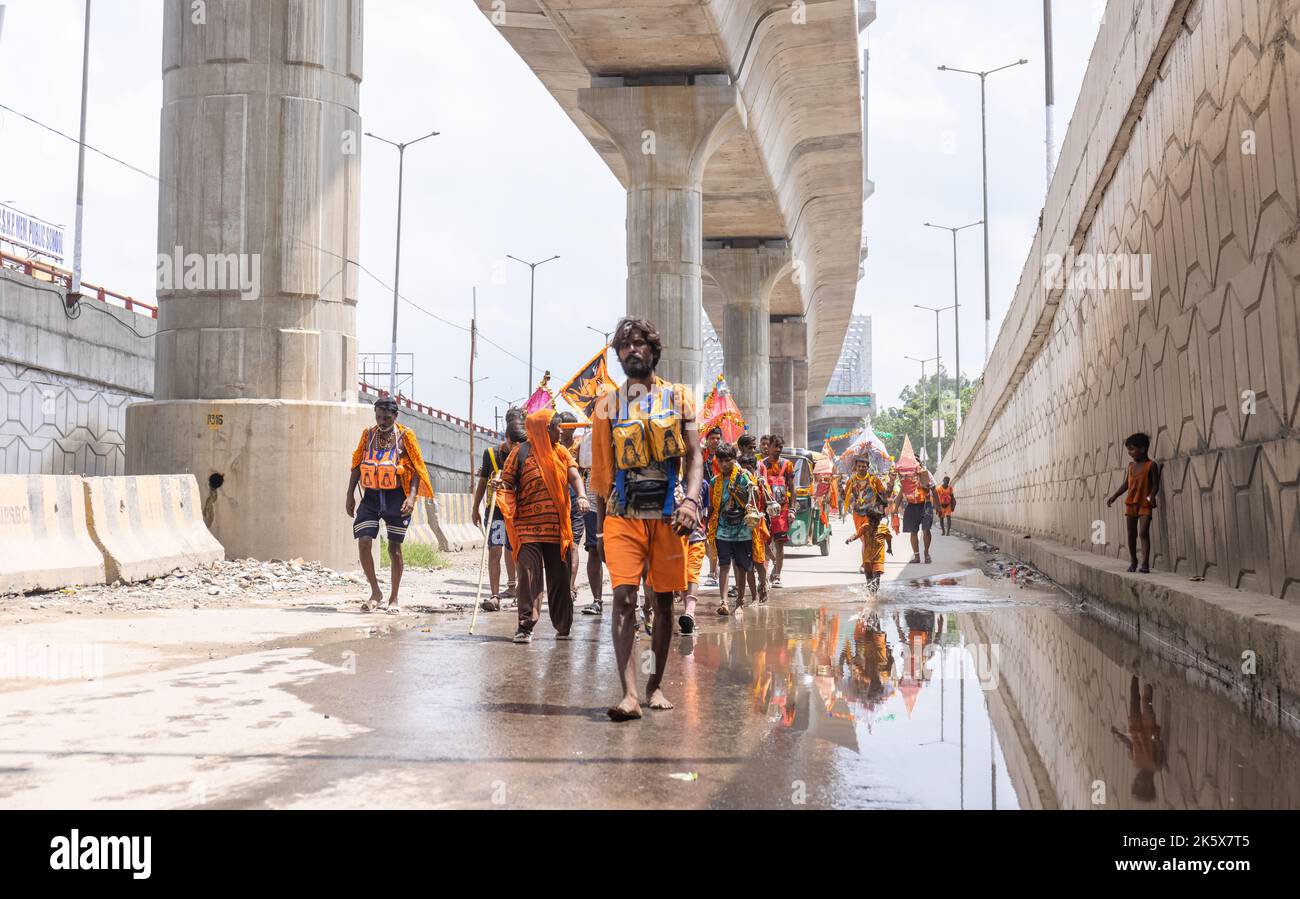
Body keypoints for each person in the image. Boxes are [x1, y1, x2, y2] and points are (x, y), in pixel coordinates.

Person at [591, 317, 703, 721]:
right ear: (618, 355)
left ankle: (654, 686)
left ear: (653, 351)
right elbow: (601, 473)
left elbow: (694, 457)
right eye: (624, 345)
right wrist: (601, 527)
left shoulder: (680, 399)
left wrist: (691, 502)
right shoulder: (607, 404)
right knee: (622, 598)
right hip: (622, 516)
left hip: (670, 516)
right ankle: (629, 695)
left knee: (662, 602)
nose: (632, 350)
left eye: (640, 343)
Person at [492, 408, 589, 644]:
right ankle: (525, 626)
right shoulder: (520, 452)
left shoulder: (562, 452)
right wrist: (499, 485)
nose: (560, 430)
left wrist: (582, 495)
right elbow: (507, 481)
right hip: (527, 528)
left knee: (559, 578)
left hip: (556, 530)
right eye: (557, 427)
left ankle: (563, 626)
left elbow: (574, 476)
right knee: (528, 575)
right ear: (545, 430)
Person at [345, 397, 434, 613]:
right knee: (364, 541)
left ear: (395, 416)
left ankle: (394, 598)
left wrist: (411, 497)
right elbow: (357, 465)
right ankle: (375, 591)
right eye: (378, 417)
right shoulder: (368, 435)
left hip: (397, 498)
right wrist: (349, 494)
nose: (382, 421)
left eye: (386, 417)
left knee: (394, 549)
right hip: (372, 497)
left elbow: (416, 470)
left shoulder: (405, 436)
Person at [473, 409, 526, 610]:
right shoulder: (491, 454)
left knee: (516, 552)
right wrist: (475, 507)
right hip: (494, 509)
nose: (517, 449)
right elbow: (482, 482)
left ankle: (520, 591)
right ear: (508, 439)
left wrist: (505, 486)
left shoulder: (524, 453)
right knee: (495, 549)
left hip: (515, 511)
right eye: (514, 444)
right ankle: (494, 596)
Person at [708, 443, 757, 615]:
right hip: (722, 529)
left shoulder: (744, 478)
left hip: (743, 530)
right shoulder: (714, 482)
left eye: (728, 460)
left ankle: (740, 601)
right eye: (720, 461)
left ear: (734, 460)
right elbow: (711, 508)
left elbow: (753, 499)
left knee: (741, 566)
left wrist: (743, 483)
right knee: (724, 565)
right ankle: (723, 602)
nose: (724, 464)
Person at [1106, 432, 1161, 572]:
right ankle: (1133, 561)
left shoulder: (1151, 465)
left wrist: (1151, 496)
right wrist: (1115, 496)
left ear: (1142, 449)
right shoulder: (1131, 466)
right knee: (1131, 534)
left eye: (1132, 449)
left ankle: (1145, 564)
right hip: (1131, 503)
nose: (1129, 453)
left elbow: (1155, 485)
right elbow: (1127, 484)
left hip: (1145, 503)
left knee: (1143, 532)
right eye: (1128, 450)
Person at [758, 434, 796, 587]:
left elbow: (793, 488)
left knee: (780, 543)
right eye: (776, 446)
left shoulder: (787, 465)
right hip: (765, 509)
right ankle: (772, 563)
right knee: (762, 541)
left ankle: (777, 576)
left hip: (782, 510)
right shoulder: (761, 465)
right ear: (769, 446)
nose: (778, 450)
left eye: (780, 447)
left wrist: (792, 509)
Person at [577, 428, 606, 615]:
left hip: (617, 498)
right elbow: (582, 467)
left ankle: (633, 599)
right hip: (593, 500)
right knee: (594, 549)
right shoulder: (588, 438)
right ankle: (597, 599)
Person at [676, 477, 711, 634]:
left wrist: (705, 528)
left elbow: (708, 509)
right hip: (677, 538)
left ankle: (690, 612)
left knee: (692, 574)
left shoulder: (703, 484)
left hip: (697, 538)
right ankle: (687, 613)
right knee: (682, 576)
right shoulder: (674, 483)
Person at [556, 411, 584, 596]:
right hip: (557, 496)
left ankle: (570, 586)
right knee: (559, 544)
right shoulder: (553, 446)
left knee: (573, 544)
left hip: (575, 497)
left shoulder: (580, 446)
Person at [738, 452, 771, 603]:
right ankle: (753, 597)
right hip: (742, 526)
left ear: (753, 468)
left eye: (748, 469)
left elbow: (761, 501)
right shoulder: (737, 481)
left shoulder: (758, 482)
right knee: (747, 564)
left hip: (757, 526)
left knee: (758, 561)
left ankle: (763, 585)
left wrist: (756, 486)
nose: (744, 471)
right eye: (742, 468)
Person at [845, 508, 892, 594]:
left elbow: (888, 538)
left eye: (875, 522)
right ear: (868, 520)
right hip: (867, 560)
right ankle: (871, 595)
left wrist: (889, 548)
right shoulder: (865, 527)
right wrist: (850, 538)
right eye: (871, 522)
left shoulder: (883, 528)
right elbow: (857, 534)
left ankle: (874, 597)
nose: (873, 524)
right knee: (869, 580)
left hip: (878, 559)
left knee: (876, 579)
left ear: (879, 520)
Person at [902, 468, 936, 563]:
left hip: (925, 505)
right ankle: (917, 556)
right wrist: (895, 508)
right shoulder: (906, 475)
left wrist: (938, 506)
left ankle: (926, 553)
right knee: (913, 532)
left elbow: (933, 488)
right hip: (912, 506)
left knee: (926, 530)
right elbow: (902, 491)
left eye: (916, 463)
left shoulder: (925, 473)